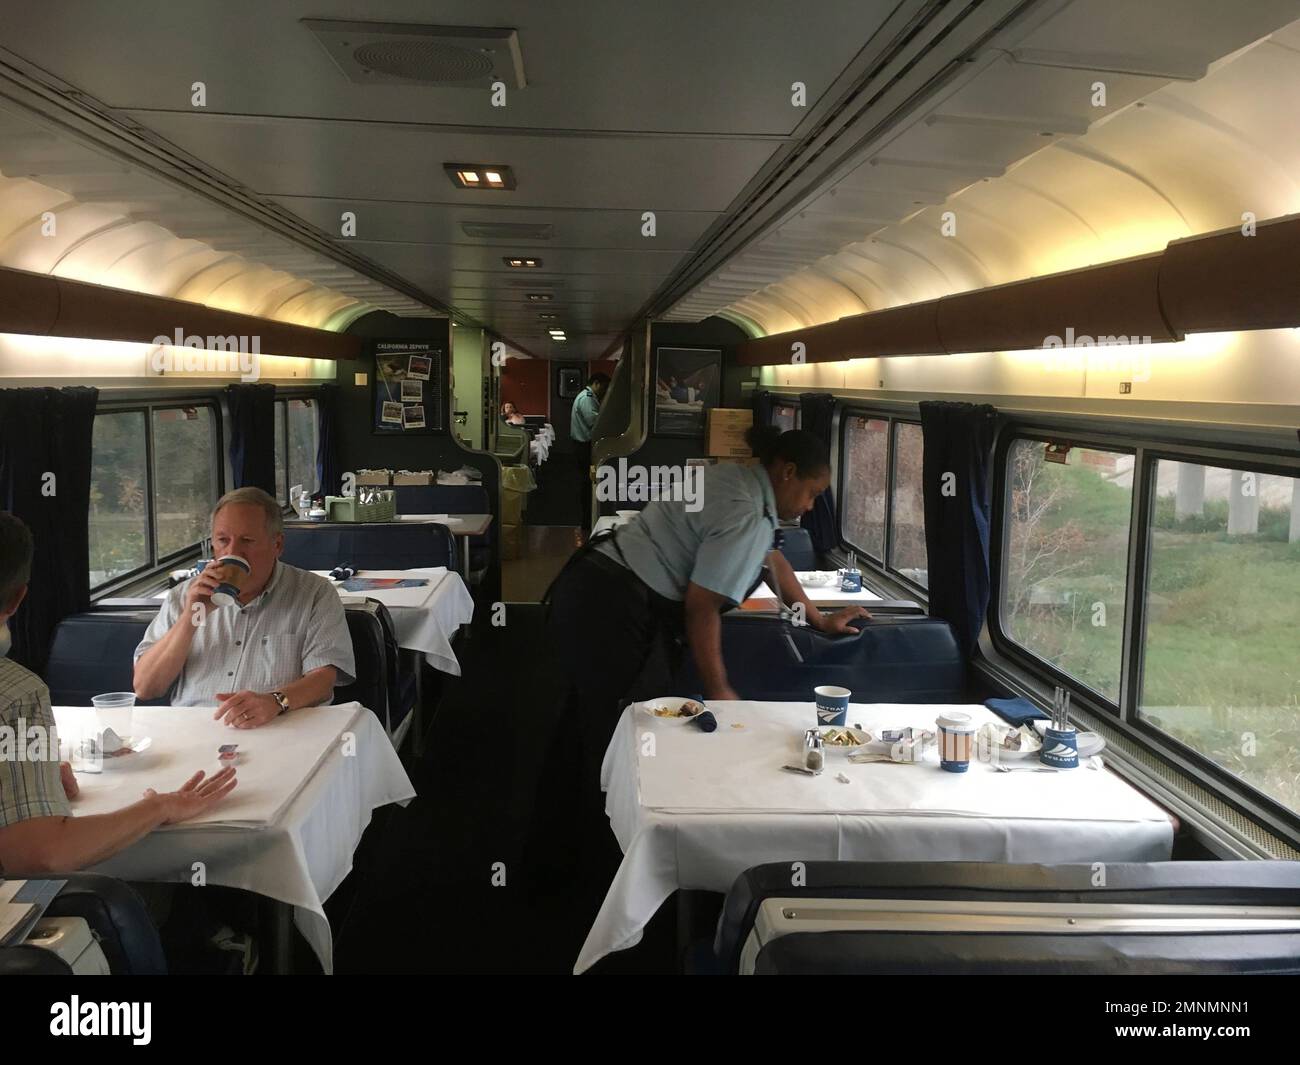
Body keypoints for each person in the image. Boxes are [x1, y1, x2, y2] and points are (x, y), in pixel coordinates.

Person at [544, 426, 870, 812]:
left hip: (592, 586)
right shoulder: (747, 514)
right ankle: (602, 834)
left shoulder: (732, 478)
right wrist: (721, 693)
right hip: (613, 608)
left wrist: (818, 618)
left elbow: (773, 559)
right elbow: (702, 607)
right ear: (787, 472)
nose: (812, 506)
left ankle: (567, 820)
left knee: (584, 714)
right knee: (615, 729)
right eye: (812, 493)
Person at [0, 511, 237, 875]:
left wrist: (34, 780)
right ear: (19, 599)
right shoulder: (16, 694)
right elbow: (42, 852)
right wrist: (159, 807)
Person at [133, 487, 355, 726]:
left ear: (277, 545)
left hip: (279, 727)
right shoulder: (184, 596)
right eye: (223, 540)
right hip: (195, 730)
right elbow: (146, 688)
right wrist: (192, 616)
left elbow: (323, 678)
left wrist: (276, 701)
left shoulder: (314, 593)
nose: (232, 552)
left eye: (247, 541)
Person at [569, 372, 610, 540]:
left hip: (582, 445)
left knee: (585, 482)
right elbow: (594, 423)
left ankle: (587, 517)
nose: (605, 391)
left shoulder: (587, 397)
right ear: (597, 383)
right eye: (604, 387)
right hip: (583, 446)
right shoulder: (587, 398)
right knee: (586, 483)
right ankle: (586, 519)